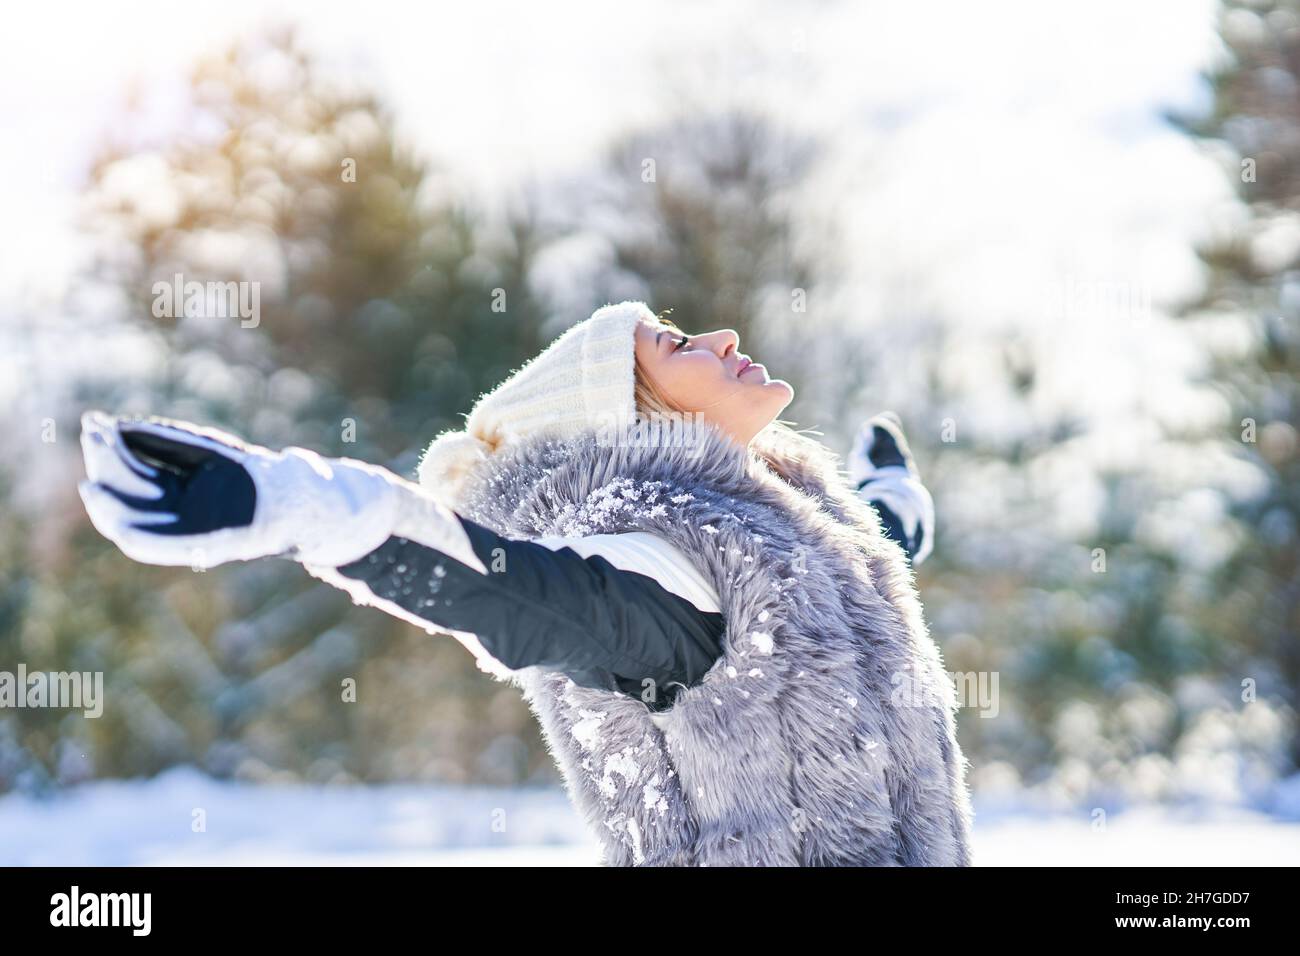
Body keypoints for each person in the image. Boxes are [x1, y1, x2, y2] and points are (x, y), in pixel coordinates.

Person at [78, 300, 972, 866]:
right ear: (636, 415)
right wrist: (289, 503)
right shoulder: (663, 561)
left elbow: (865, 565)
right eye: (674, 343)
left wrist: (891, 500)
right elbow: (503, 592)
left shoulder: (795, 530)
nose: (723, 338)